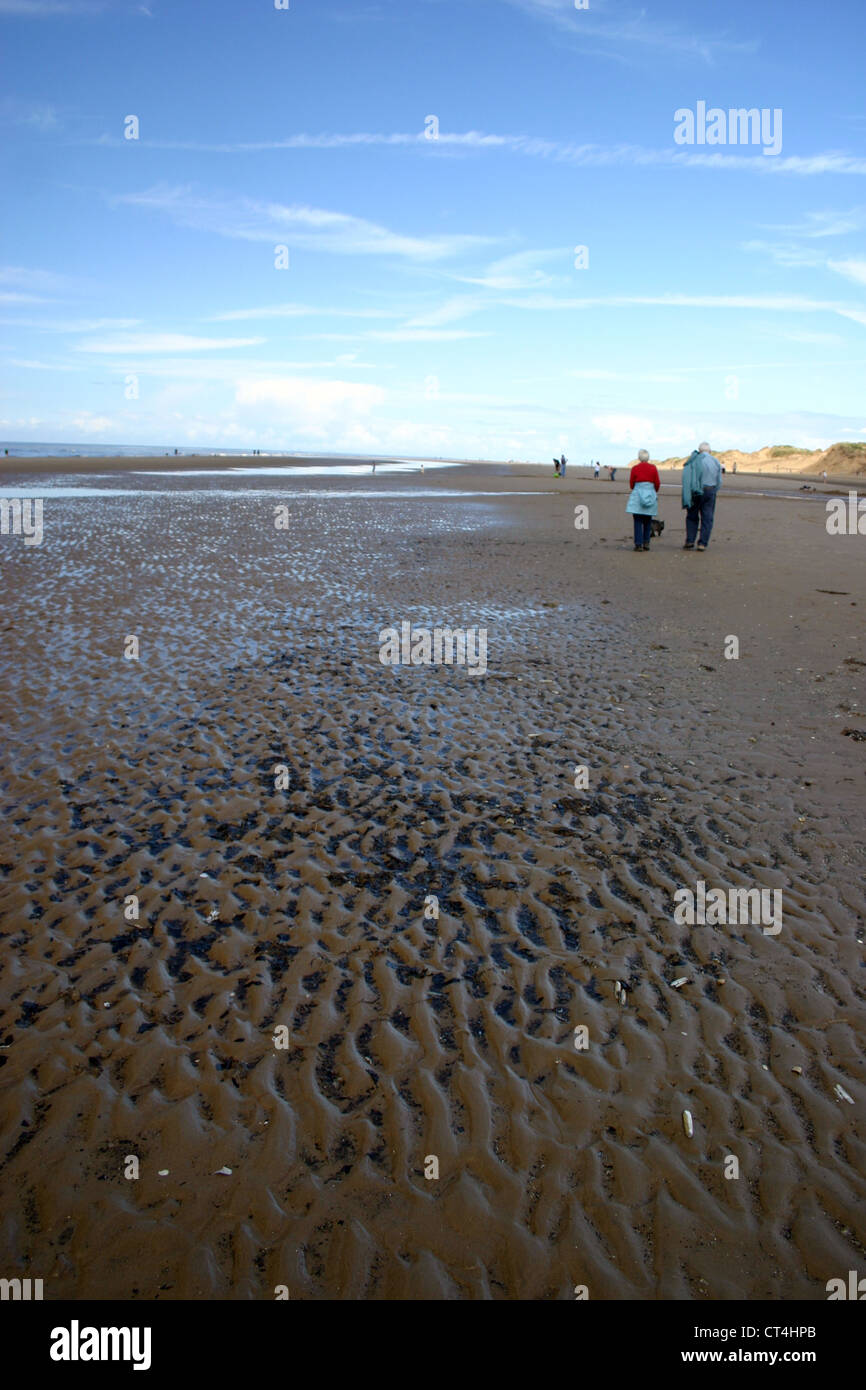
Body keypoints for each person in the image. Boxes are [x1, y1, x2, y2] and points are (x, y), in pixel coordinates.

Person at [682, 441, 722, 551]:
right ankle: (702, 543)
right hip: (710, 490)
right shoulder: (715, 461)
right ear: (710, 451)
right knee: (707, 518)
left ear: (699, 451)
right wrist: (714, 490)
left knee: (692, 516)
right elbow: (719, 481)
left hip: (695, 491)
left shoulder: (694, 460)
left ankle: (690, 540)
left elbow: (688, 477)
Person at [627, 448, 661, 551]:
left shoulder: (635, 468)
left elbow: (632, 484)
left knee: (637, 521)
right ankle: (646, 542)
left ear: (639, 457)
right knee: (647, 520)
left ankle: (638, 544)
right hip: (650, 495)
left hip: (638, 495)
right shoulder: (653, 468)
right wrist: (652, 492)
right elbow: (657, 483)